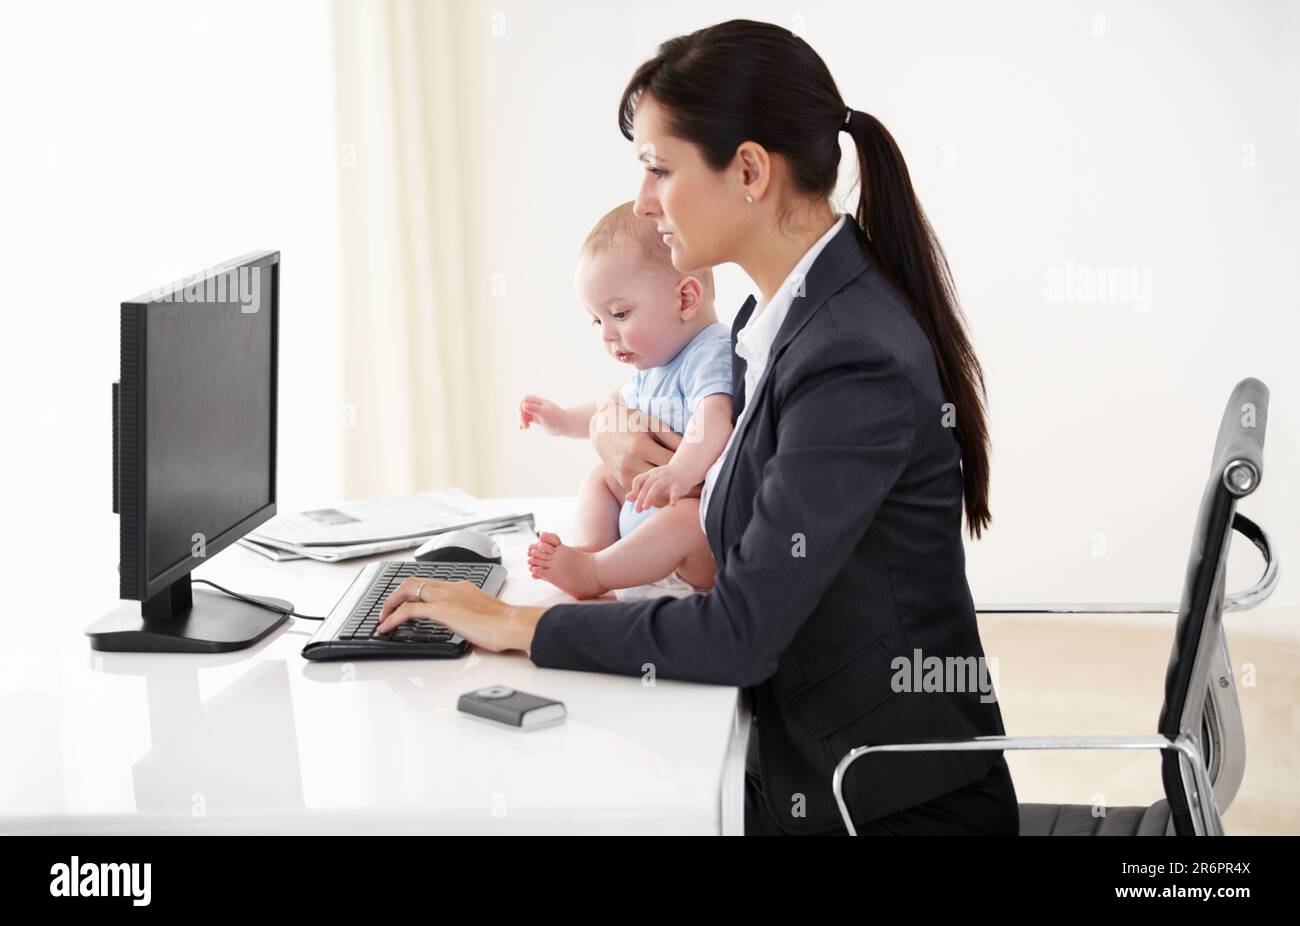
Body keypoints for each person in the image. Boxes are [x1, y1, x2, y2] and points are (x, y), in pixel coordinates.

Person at [379, 19, 1019, 835]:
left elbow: (740, 633)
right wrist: (614, 439)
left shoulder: (848, 356)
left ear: (749, 170)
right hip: (807, 760)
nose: (645, 202)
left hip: (879, 804)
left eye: (658, 168)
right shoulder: (781, 315)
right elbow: (726, 486)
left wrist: (517, 624)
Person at [517, 201, 733, 600]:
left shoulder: (710, 350)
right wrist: (562, 419)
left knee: (687, 517)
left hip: (696, 546)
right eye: (598, 321)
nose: (606, 335)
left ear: (686, 299)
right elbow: (608, 407)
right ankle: (594, 549)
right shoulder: (653, 366)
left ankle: (597, 572)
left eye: (619, 314)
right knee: (600, 478)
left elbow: (715, 416)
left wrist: (682, 472)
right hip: (649, 530)